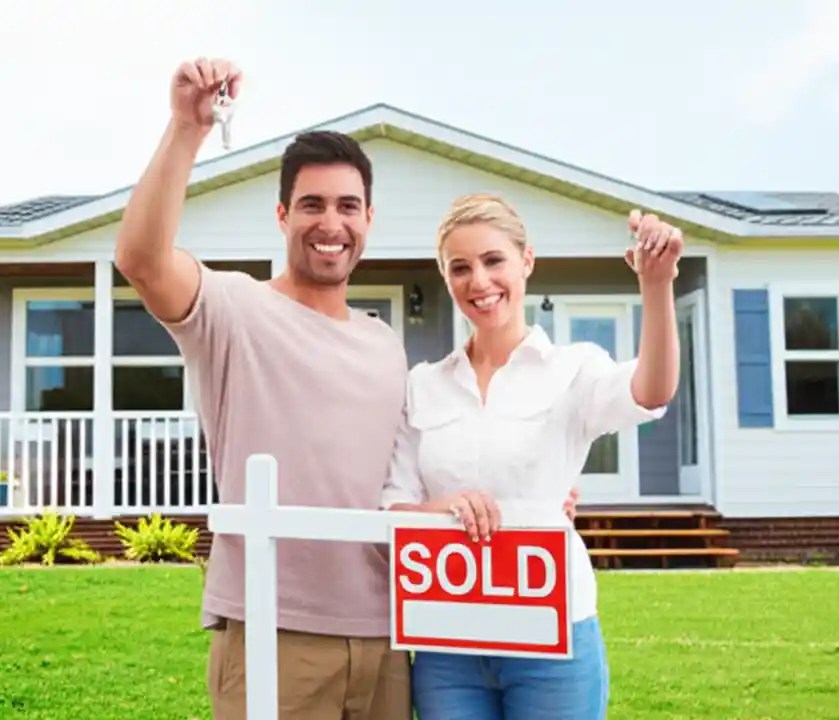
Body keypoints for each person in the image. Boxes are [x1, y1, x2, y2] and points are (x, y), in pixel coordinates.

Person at [114, 58, 580, 719]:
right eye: (311, 205)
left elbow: (411, 480)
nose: (330, 222)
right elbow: (141, 259)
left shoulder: (386, 346)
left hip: (389, 634)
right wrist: (187, 128)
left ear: (368, 219)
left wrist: (529, 498)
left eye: (346, 206)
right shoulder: (232, 309)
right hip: (274, 627)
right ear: (282, 215)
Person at [381, 192, 682, 719]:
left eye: (494, 260)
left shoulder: (573, 369)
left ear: (527, 261)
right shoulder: (421, 385)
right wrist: (444, 510)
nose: (479, 281)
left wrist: (655, 286)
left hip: (553, 636)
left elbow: (650, 391)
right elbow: (392, 508)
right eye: (460, 268)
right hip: (447, 642)